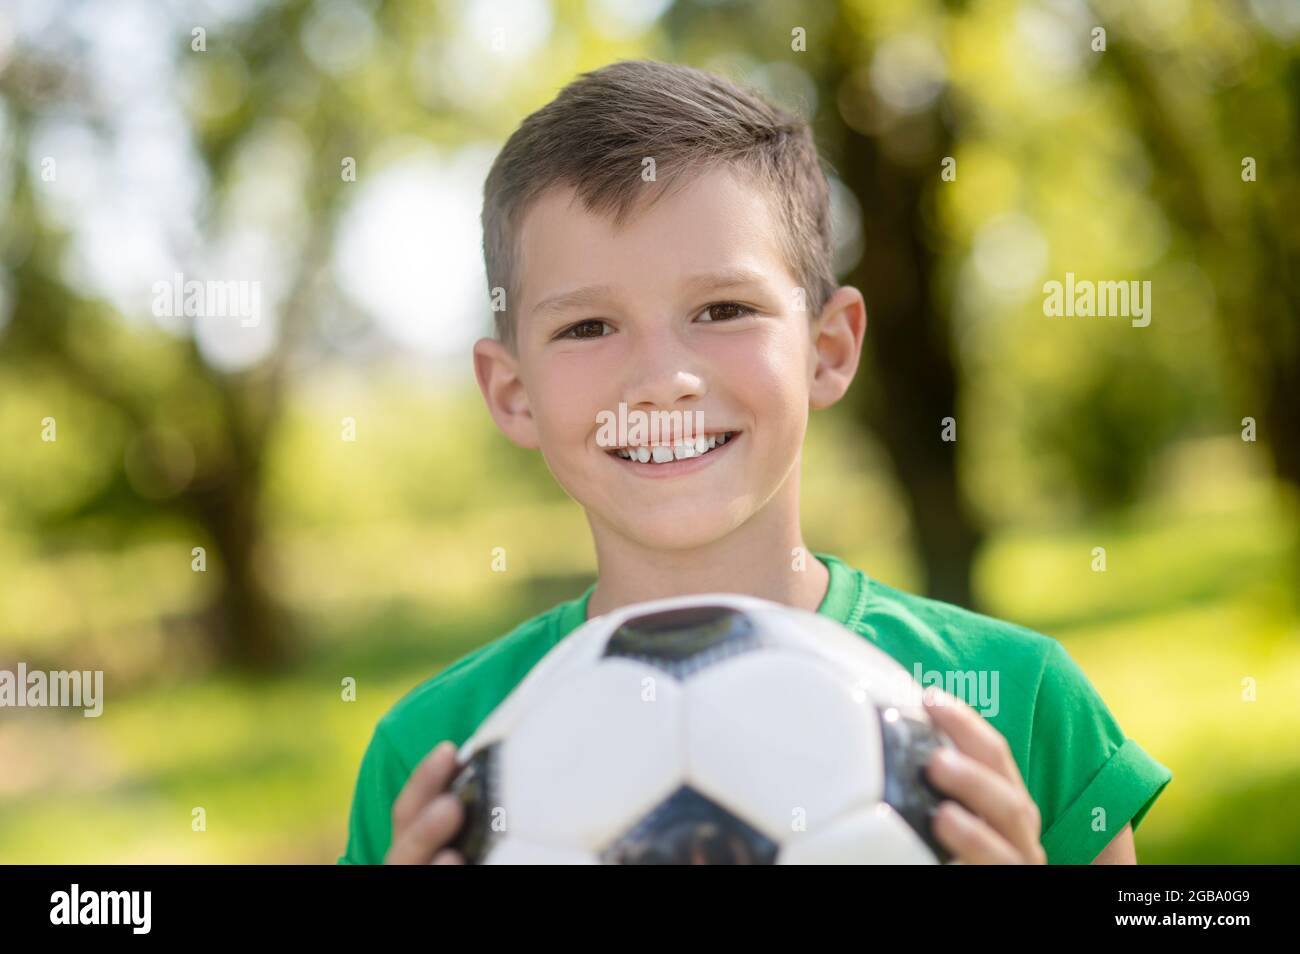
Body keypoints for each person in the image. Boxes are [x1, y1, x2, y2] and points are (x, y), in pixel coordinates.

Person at [340, 59, 1171, 866]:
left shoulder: (1013, 700)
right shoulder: (434, 757)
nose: (663, 381)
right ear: (512, 391)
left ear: (828, 348)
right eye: (588, 327)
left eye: (723, 309)